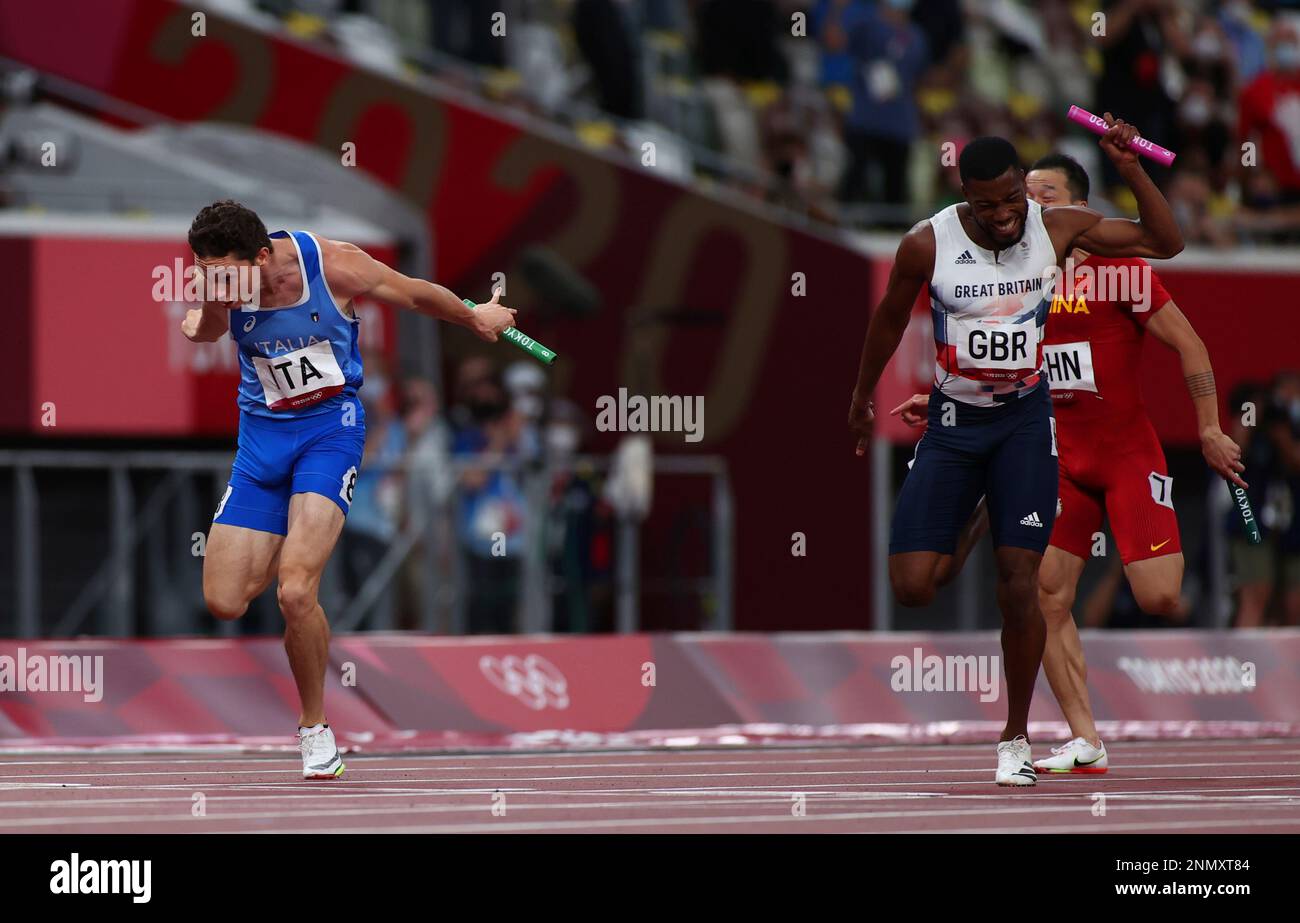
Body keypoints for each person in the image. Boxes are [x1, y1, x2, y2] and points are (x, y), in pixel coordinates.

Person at [847, 115, 1186, 786]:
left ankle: (1014, 737)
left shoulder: (1054, 227)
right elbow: (888, 317)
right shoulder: (926, 244)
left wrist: (1130, 166)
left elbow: (1163, 242)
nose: (1004, 216)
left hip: (1025, 426)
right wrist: (859, 397)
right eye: (988, 205)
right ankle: (981, 505)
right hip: (953, 424)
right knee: (915, 586)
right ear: (963, 198)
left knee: (1020, 586)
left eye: (1013, 200)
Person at [890, 152, 1244, 773]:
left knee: (1160, 596)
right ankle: (1087, 738)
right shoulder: (1017, 277)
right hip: (1052, 451)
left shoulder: (1120, 274)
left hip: (1125, 450)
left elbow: (1190, 343)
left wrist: (1210, 427)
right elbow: (987, 353)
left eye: (1043, 197)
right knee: (1045, 595)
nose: (1027, 210)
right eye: (1022, 198)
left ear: (1078, 208)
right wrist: (944, 394)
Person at [181, 200, 515, 778]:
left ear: (262, 256)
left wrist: (475, 315)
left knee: (294, 593)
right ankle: (285, 541)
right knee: (226, 600)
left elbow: (412, 293)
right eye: (208, 270)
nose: (218, 282)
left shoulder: (332, 266)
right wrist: (214, 295)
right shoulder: (221, 281)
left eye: (226, 272)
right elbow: (204, 329)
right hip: (261, 445)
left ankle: (314, 729)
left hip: (327, 434)